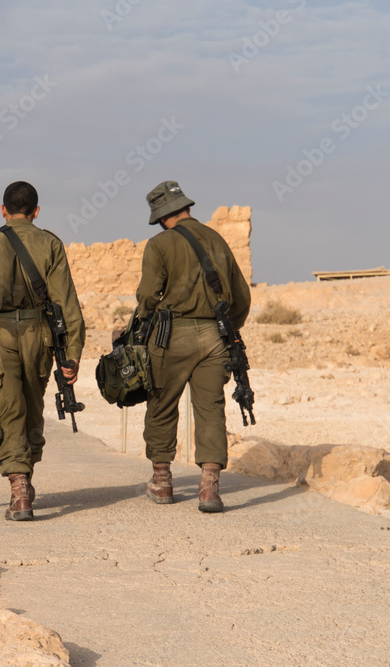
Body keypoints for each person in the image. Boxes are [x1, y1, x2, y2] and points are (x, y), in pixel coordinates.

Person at [0, 181, 85, 521]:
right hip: (39, 337)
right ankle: (24, 479)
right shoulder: (50, 244)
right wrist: (72, 353)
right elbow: (67, 303)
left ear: (3, 210)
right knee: (31, 406)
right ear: (36, 211)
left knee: (9, 409)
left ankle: (19, 490)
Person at [135, 181, 251, 513]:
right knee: (211, 410)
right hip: (215, 338)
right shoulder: (218, 241)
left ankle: (162, 482)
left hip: (170, 336)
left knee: (161, 405)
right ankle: (209, 488)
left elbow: (147, 296)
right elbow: (241, 297)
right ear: (186, 207)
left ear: (160, 217)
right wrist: (227, 330)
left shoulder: (158, 245)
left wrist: (145, 322)